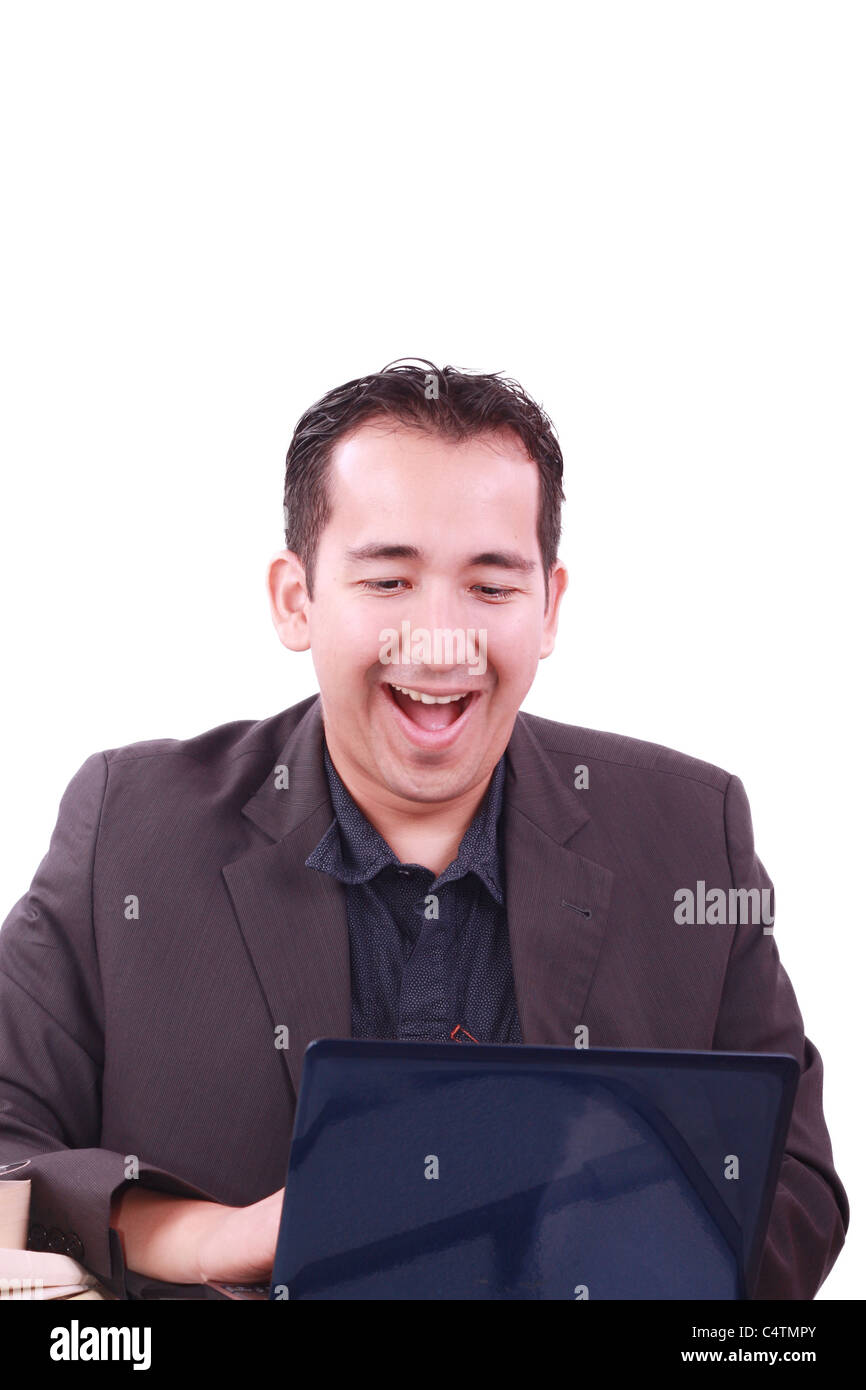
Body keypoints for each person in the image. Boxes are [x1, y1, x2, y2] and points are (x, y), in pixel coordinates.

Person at [0, 360, 848, 1300]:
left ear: (550, 606)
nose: (440, 639)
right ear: (296, 599)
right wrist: (202, 1237)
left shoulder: (694, 831)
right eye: (390, 581)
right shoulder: (131, 826)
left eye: (491, 589)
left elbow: (796, 1190)